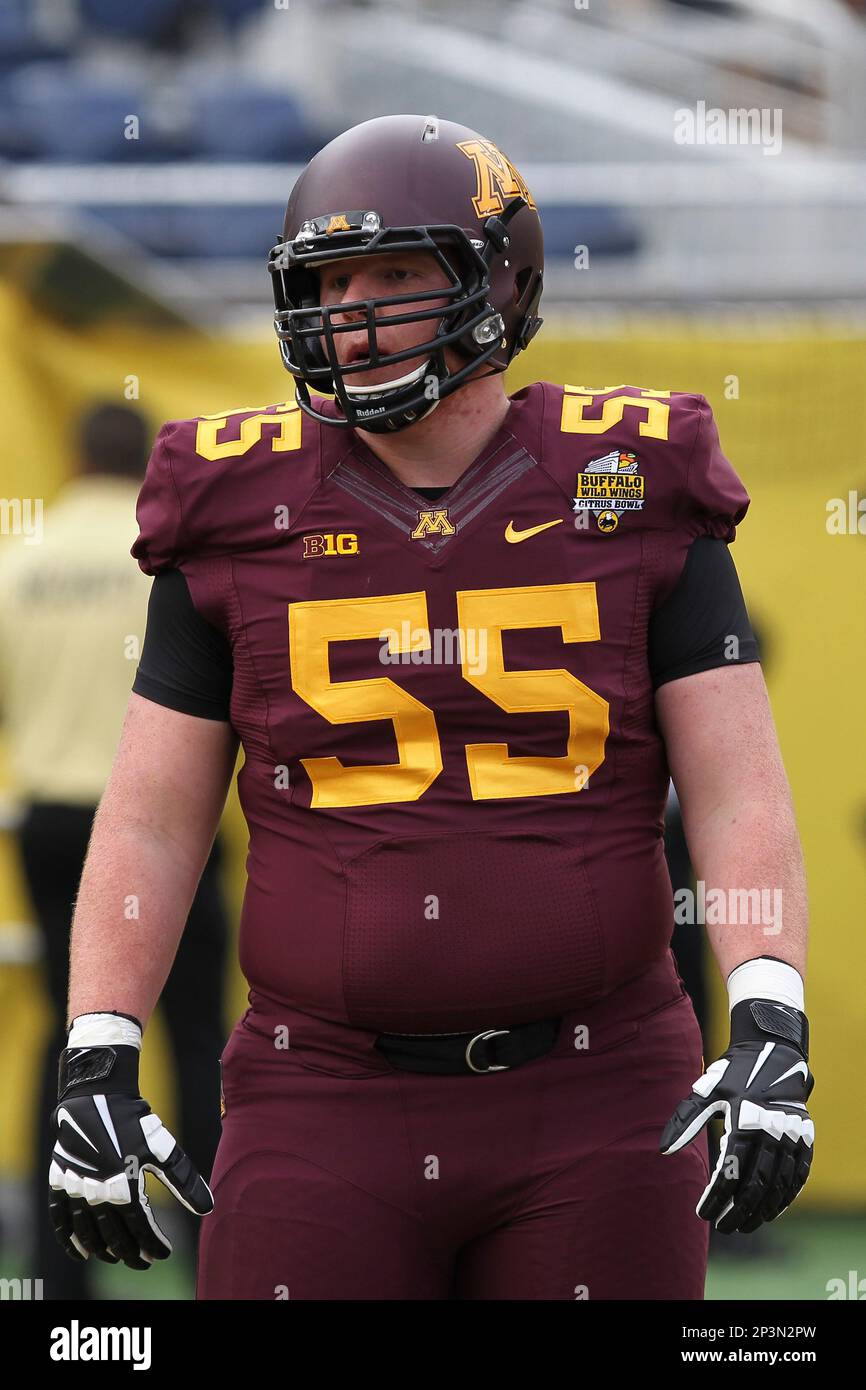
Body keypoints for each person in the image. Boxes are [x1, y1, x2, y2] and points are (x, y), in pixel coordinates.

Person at [47, 115, 814, 1300]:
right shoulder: (236, 503)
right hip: (322, 1093)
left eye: (392, 275)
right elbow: (152, 818)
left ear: (498, 285)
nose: (349, 313)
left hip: (597, 1086)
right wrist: (97, 1043)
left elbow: (733, 784)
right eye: (327, 280)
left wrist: (767, 1004)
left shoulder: (629, 480)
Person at [0, 403, 228, 1297]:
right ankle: (222, 1262)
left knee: (74, 1040)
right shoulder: (162, 566)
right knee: (200, 1038)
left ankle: (62, 1285)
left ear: (72, 452)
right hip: (170, 823)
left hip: (53, 822)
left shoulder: (22, 562)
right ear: (145, 465)